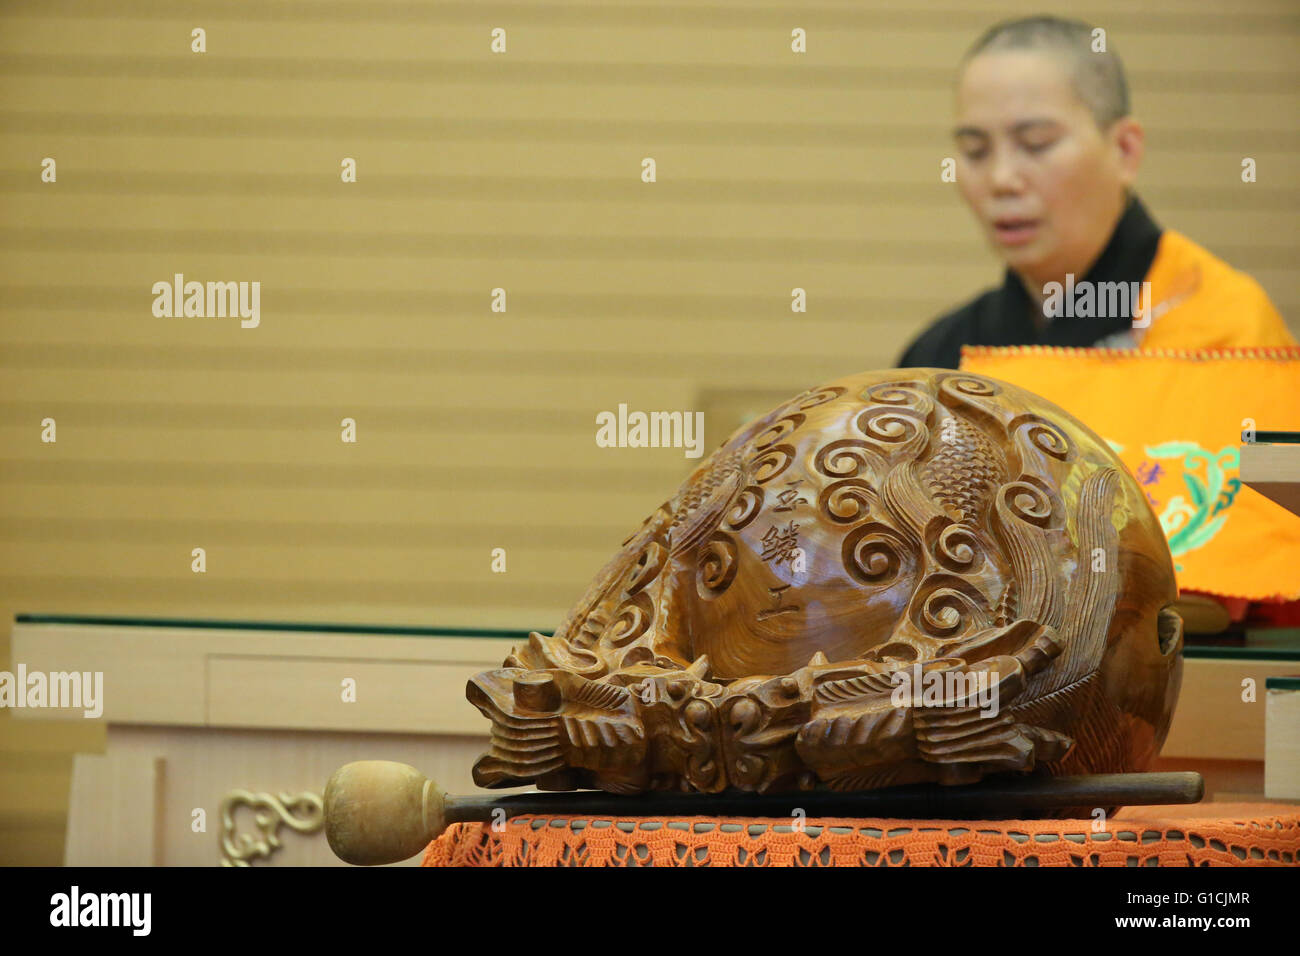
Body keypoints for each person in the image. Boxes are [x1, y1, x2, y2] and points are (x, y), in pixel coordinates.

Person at [898, 16, 1296, 369]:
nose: (1001, 178)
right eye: (975, 151)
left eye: (1036, 143)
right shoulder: (942, 358)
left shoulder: (1229, 336)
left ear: (1124, 150)